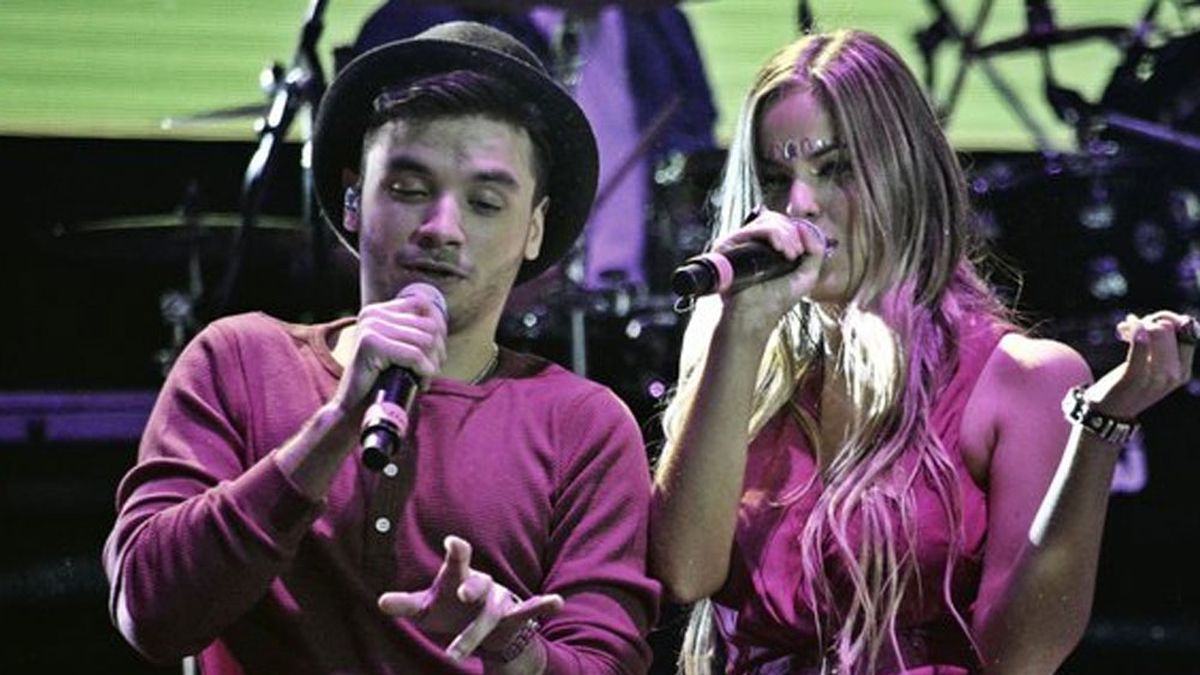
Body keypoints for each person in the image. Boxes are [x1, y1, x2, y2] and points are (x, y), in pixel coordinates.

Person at [103, 21, 659, 674]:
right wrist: (332, 427)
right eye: (408, 189)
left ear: (533, 228)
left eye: (484, 202)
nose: (441, 228)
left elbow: (608, 661)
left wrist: (516, 650)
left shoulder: (584, 424)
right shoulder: (239, 361)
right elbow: (149, 609)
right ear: (351, 198)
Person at [648, 29, 1198, 674]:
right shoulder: (734, 338)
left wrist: (1102, 428)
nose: (799, 205)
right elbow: (684, 574)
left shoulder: (1022, 380)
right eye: (775, 177)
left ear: (906, 172)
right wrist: (738, 334)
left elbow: (1022, 656)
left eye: (835, 170)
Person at [347, 0, 717, 291]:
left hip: (638, 314)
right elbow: (354, 213)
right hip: (480, 319)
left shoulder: (660, 24)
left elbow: (695, 167)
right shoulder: (422, 21)